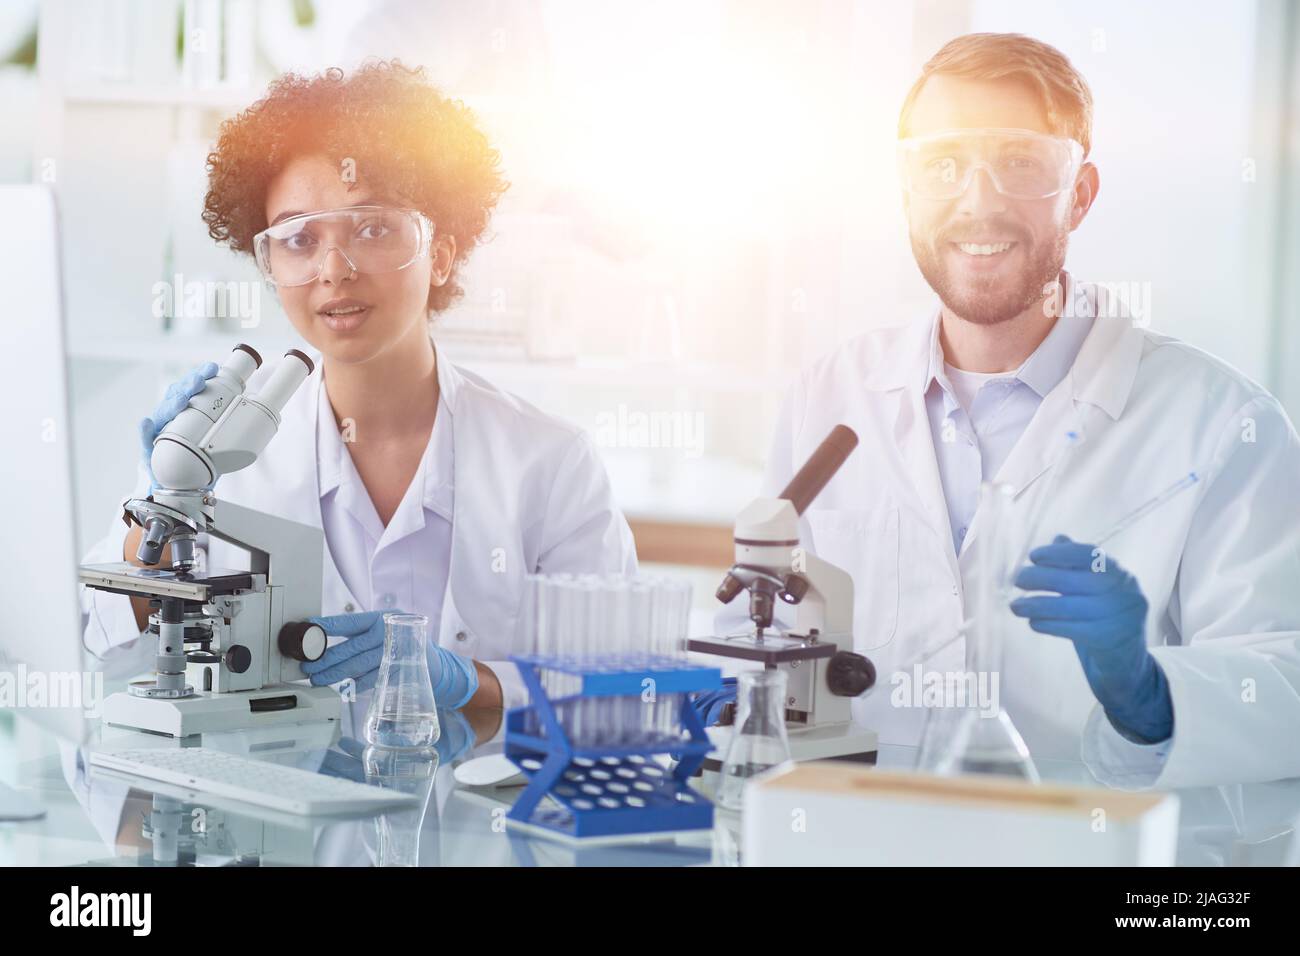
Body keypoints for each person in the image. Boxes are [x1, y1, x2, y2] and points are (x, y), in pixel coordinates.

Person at [718, 33, 1300, 789]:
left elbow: (1283, 685)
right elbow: (759, 624)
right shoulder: (831, 393)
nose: (979, 199)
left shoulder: (1223, 425)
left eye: (1021, 164)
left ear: (1081, 194)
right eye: (943, 167)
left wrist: (1149, 692)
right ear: (906, 194)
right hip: (858, 840)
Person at [80, 61, 636, 733]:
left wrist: (471, 683)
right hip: (281, 825)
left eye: (371, 229)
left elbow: (621, 682)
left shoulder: (550, 462)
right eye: (299, 239)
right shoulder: (224, 458)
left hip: (479, 826)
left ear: (443, 251)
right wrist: (158, 506)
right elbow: (98, 652)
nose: (333, 270)